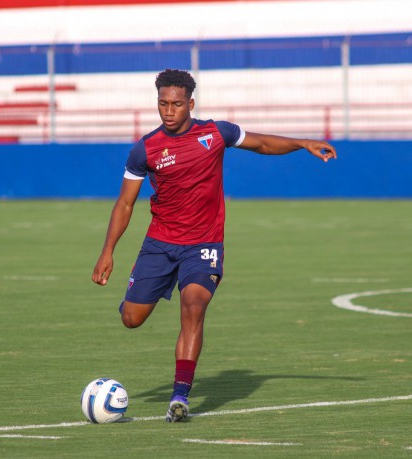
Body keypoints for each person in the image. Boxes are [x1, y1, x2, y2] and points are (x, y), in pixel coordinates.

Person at [92, 68, 337, 422]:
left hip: (204, 244)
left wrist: (302, 144)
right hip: (160, 243)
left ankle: (180, 397)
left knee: (193, 305)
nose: (168, 111)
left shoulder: (216, 133)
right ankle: (136, 296)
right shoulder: (144, 150)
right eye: (162, 104)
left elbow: (263, 144)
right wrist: (107, 251)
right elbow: (125, 203)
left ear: (190, 103)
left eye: (176, 104)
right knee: (131, 319)